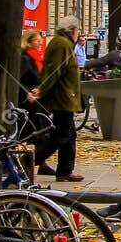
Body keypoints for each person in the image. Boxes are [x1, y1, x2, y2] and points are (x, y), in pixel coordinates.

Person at [36, 17, 84, 181]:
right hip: (62, 98)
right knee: (62, 135)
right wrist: (41, 90)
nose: (78, 34)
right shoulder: (61, 44)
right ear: (72, 31)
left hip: (65, 97)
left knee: (67, 135)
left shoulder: (63, 43)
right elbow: (54, 70)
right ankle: (35, 159)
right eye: (77, 30)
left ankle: (64, 170)